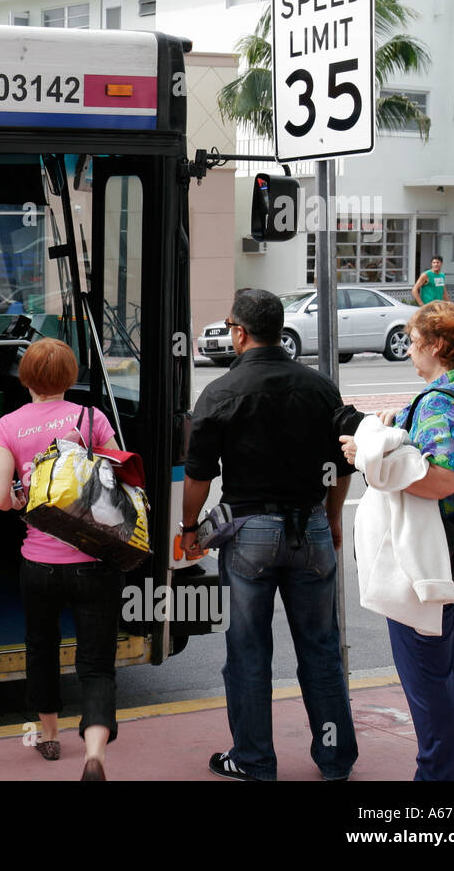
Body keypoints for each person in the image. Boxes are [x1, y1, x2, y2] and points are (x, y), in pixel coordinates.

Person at [182, 289, 358, 781]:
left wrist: (189, 528)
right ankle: (335, 759)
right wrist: (334, 515)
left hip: (249, 534)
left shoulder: (219, 391)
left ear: (239, 331)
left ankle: (255, 760)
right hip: (312, 528)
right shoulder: (320, 387)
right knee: (321, 648)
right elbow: (342, 462)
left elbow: (199, 474)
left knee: (249, 650)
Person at [340, 301, 454, 780]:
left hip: (425, 564)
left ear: (435, 346)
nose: (409, 349)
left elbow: (443, 478)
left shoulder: (439, 402)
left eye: (413, 341)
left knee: (428, 686)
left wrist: (370, 458)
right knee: (452, 672)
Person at [0, 338, 122, 781]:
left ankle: (48, 734)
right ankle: (95, 754)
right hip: (93, 561)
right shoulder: (91, 418)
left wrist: (25, 494)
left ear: (25, 378)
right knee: (97, 661)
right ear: (70, 376)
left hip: (38, 564)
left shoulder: (7, 426)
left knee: (41, 647)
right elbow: (117, 477)